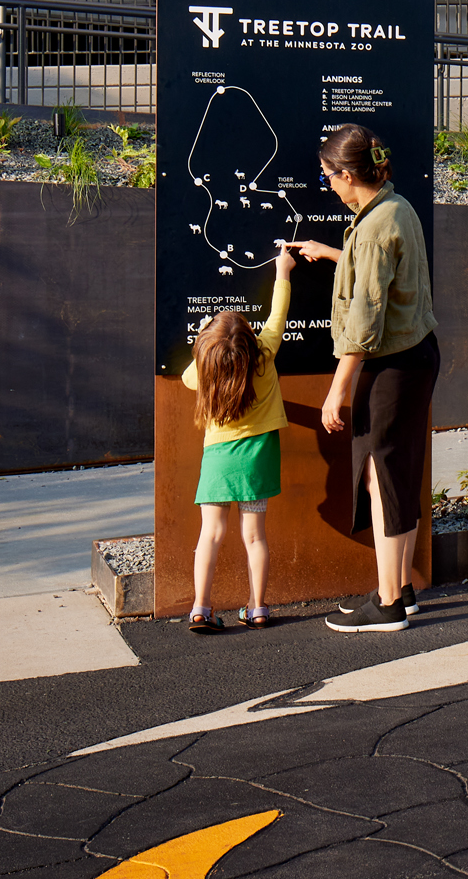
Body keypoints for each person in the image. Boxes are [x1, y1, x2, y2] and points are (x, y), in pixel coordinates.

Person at [294, 124, 439, 634]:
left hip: (392, 365)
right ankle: (400, 590)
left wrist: (338, 390)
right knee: (399, 475)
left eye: (328, 175)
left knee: (382, 479)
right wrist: (332, 254)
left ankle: (388, 605)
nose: (327, 184)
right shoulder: (393, 209)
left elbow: (365, 322)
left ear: (348, 174)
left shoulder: (374, 228)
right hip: (415, 357)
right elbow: (381, 277)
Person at [181, 242, 294, 636]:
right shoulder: (264, 354)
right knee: (254, 536)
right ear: (248, 339)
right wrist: (282, 271)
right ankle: (257, 607)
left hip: (217, 460)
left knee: (209, 535)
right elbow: (277, 316)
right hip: (257, 458)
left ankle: (201, 608)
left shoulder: (203, 371)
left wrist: (202, 345)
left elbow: (186, 377)